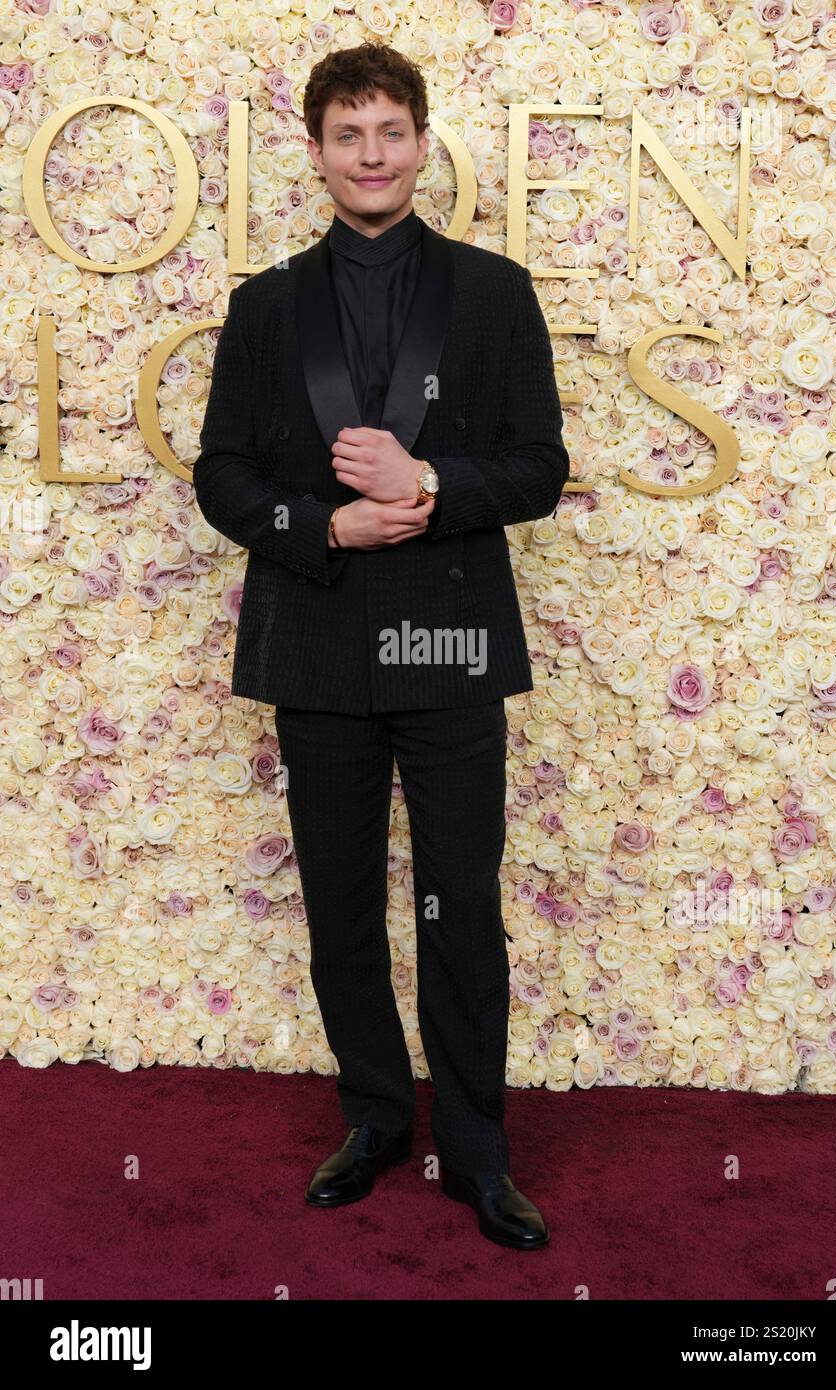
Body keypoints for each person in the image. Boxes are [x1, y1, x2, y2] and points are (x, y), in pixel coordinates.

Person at [193, 40, 570, 1251]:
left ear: (420, 142)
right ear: (317, 154)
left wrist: (430, 484)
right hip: (313, 641)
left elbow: (538, 467)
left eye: (390, 131)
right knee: (341, 903)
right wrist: (323, 521)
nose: (370, 154)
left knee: (464, 902)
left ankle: (476, 1153)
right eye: (347, 135)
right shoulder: (262, 307)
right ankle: (371, 1120)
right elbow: (221, 474)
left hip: (449, 639)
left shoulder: (496, 292)